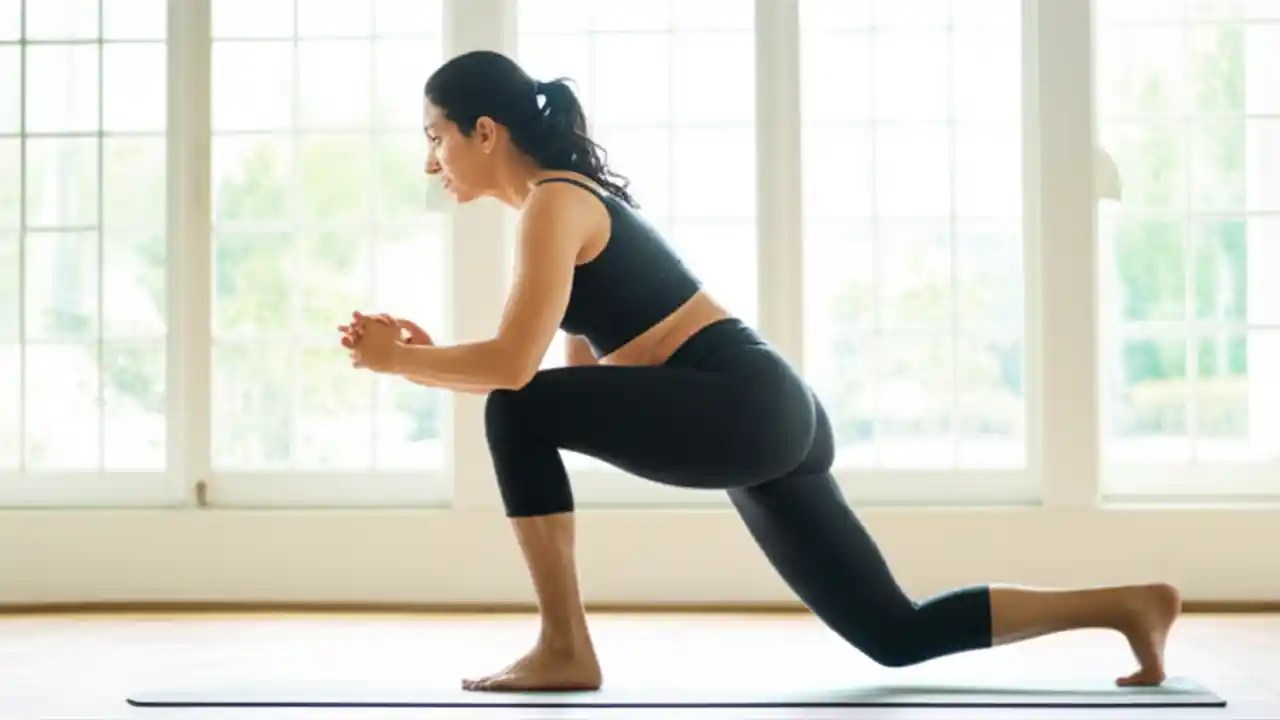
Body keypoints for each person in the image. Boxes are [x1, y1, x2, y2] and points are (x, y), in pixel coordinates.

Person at [337, 50, 1181, 693]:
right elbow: (559, 373)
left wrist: (401, 360)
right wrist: (421, 362)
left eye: (435, 137)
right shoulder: (563, 202)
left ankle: (564, 646)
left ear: (484, 132)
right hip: (769, 408)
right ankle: (1127, 606)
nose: (431, 162)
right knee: (895, 633)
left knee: (513, 410)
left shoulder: (556, 202)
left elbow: (514, 374)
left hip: (739, 401)